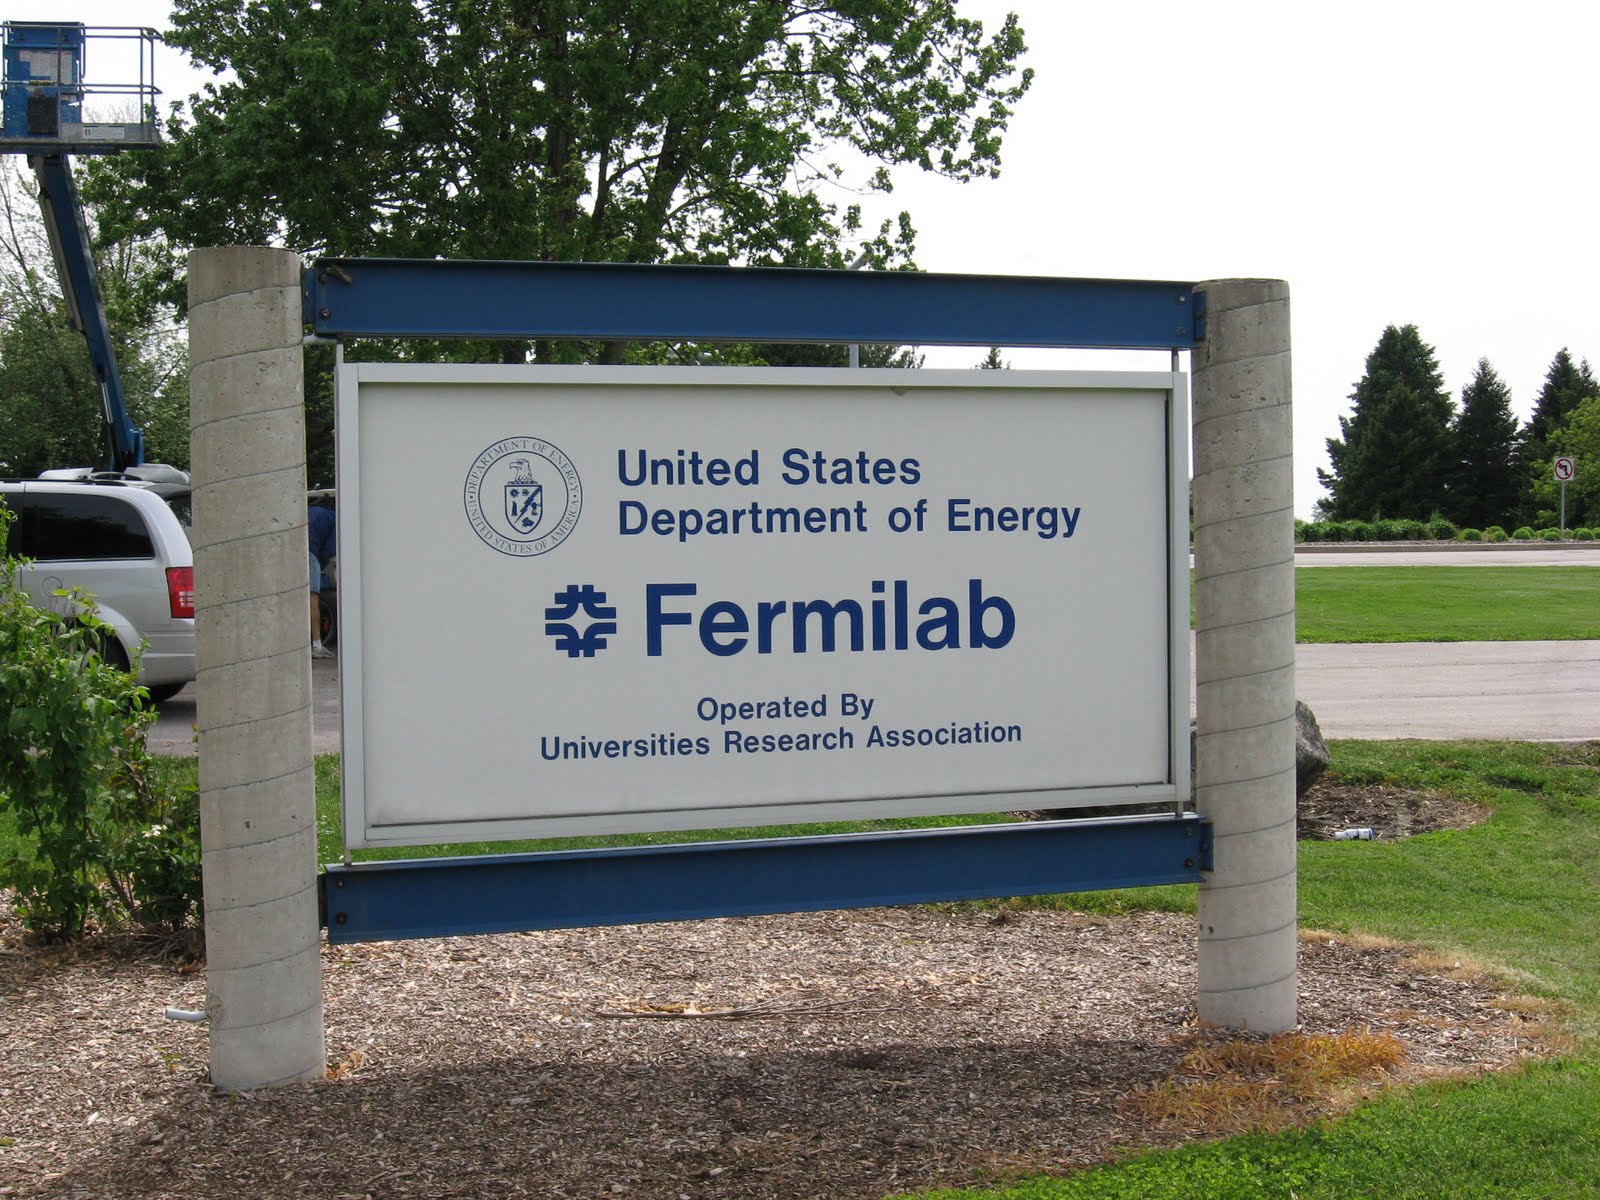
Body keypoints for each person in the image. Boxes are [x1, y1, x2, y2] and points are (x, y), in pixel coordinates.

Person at [308, 500, 336, 658]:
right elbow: (330, 550)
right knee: (313, 597)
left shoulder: (312, 511)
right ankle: (317, 646)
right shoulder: (335, 518)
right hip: (310, 551)